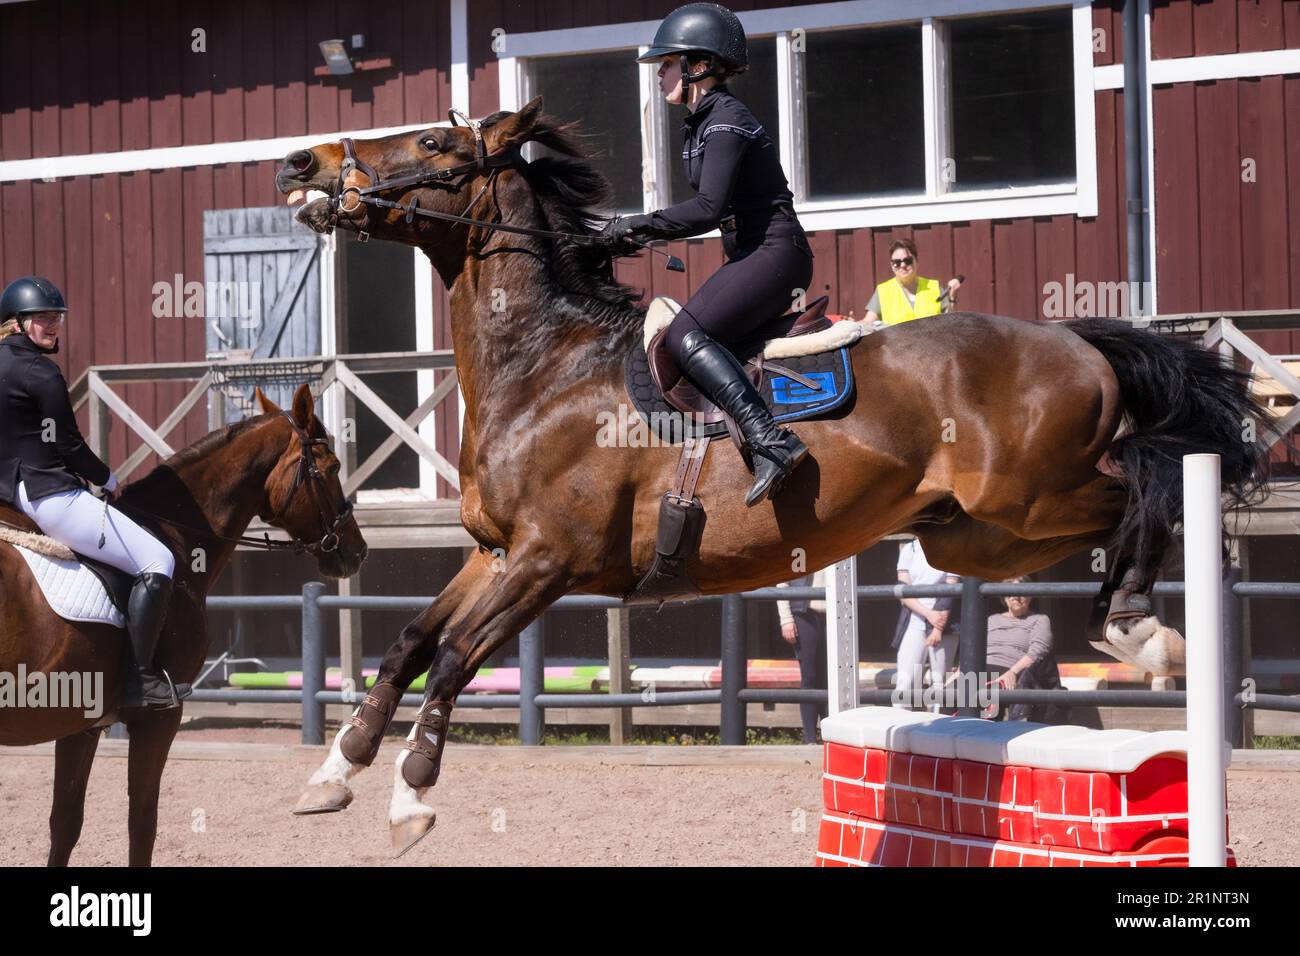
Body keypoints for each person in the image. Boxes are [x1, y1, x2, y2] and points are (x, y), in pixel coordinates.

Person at [602, 3, 814, 507]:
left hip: (773, 252)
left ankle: (770, 441)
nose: (659, 73)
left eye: (667, 63)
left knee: (684, 334)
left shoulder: (726, 121)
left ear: (698, 65)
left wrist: (634, 226)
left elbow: (706, 209)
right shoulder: (700, 123)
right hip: (750, 254)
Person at [0, 276, 181, 709]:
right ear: (18, 322)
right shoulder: (40, 372)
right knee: (161, 560)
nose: (53, 325)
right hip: (48, 497)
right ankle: (141, 681)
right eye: (43, 318)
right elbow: (69, 445)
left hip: (10, 496)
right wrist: (109, 479)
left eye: (56, 317)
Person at [985, 575, 1067, 723]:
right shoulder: (991, 620)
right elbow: (975, 646)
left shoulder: (1039, 619)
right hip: (982, 668)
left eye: (1022, 591)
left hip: (1013, 669)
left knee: (987, 694)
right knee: (951, 690)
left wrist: (1012, 672)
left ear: (1030, 596)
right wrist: (960, 670)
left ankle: (988, 738)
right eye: (1011, 592)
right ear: (1004, 597)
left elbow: (1039, 650)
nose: (1016, 596)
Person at [893, 538, 959, 711]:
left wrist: (937, 628)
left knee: (940, 680)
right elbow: (903, 589)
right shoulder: (910, 549)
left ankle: (940, 726)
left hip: (944, 622)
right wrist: (928, 614)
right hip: (915, 619)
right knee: (905, 678)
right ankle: (901, 723)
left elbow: (950, 589)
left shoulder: (950, 547)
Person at [775, 568, 828, 743]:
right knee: (810, 675)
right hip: (805, 614)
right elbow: (783, 581)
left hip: (834, 614)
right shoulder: (804, 547)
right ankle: (811, 738)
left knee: (830, 677)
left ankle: (830, 735)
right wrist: (786, 619)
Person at [863, 239, 962, 326]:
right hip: (896, 347)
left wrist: (952, 297)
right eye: (897, 262)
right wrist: (850, 325)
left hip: (930, 346)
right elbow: (868, 322)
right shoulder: (883, 291)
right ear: (891, 265)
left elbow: (949, 322)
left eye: (908, 260)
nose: (902, 265)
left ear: (917, 261)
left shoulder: (934, 287)